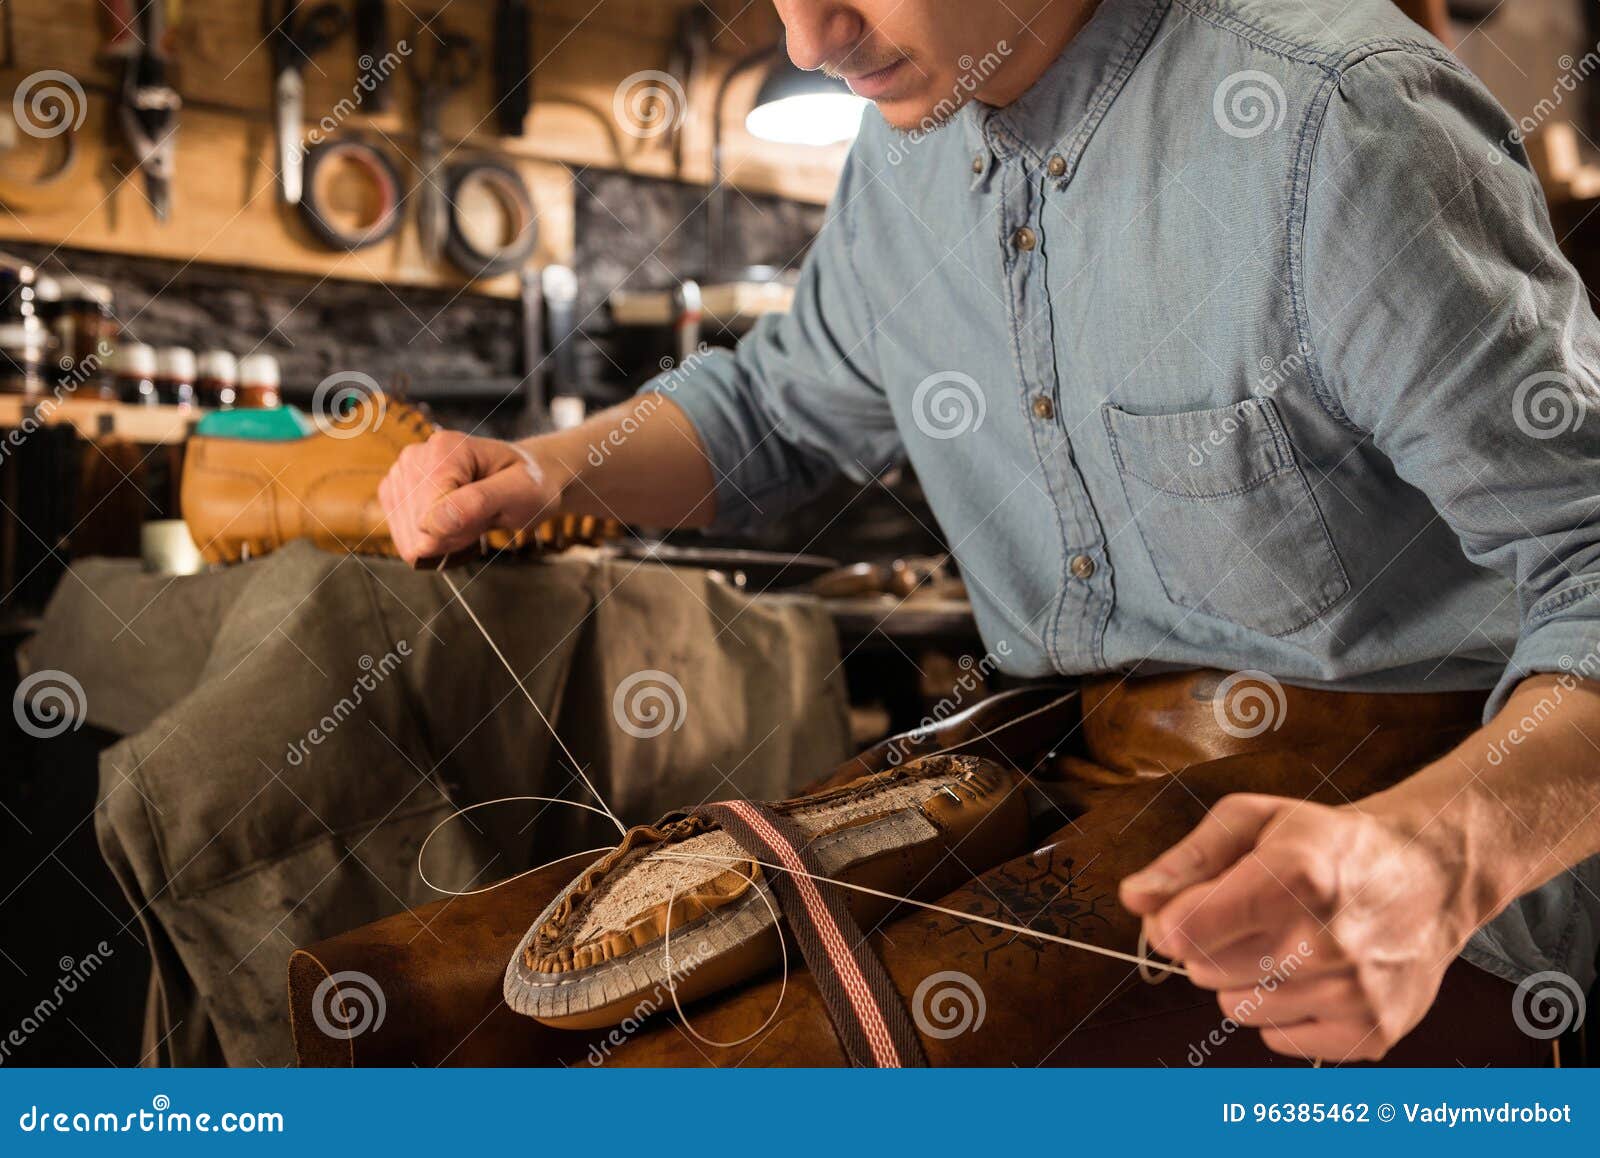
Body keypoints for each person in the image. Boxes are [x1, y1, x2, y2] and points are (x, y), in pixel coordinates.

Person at [380, 0, 1600, 1062]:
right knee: (424, 1015)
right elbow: (774, 409)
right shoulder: (909, 131)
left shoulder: (1335, 119)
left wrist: (1441, 858)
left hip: (1378, 843)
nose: (807, 39)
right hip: (1056, 784)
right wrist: (543, 470)